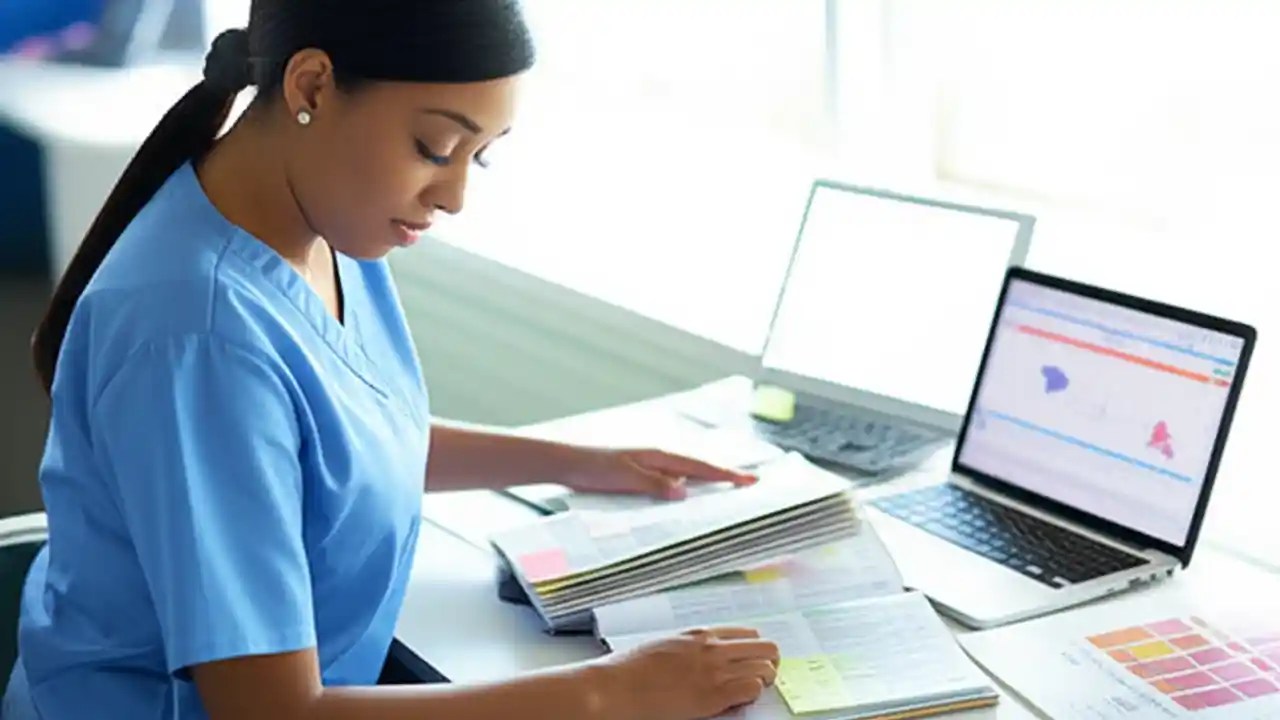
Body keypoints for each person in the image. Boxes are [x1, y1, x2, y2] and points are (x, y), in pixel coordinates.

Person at [2, 2, 782, 719]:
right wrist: (611, 694)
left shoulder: (323, 219)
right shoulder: (197, 333)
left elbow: (343, 441)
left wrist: (578, 461)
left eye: (478, 157)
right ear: (312, 84)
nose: (452, 196)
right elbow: (273, 712)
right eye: (434, 147)